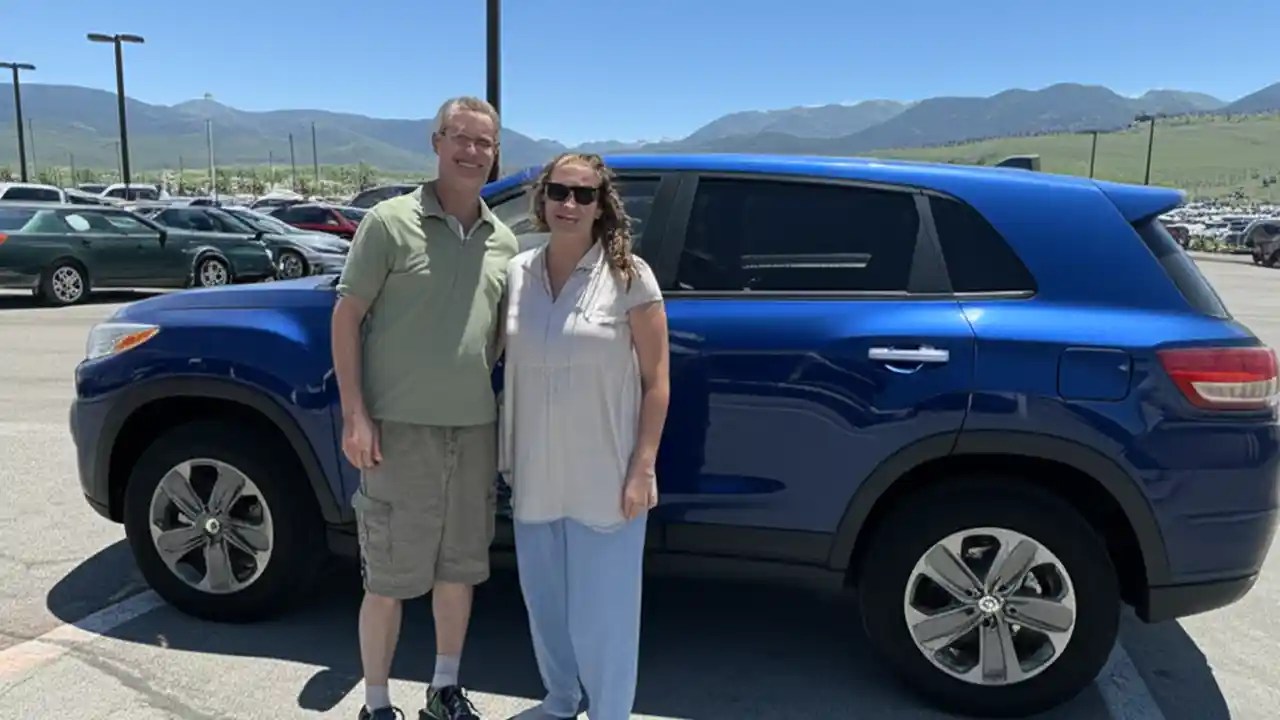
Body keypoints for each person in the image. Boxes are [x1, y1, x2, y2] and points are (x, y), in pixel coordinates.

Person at [332, 95, 519, 720]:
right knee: (387, 577)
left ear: (496, 156)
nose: (471, 152)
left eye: (484, 143)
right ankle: (376, 703)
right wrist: (355, 413)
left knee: (458, 571)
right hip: (397, 434)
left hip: (472, 434)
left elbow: (496, 341)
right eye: (460, 139)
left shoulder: (504, 240)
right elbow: (347, 315)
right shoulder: (388, 222)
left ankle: (443, 691)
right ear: (436, 142)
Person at [498, 152, 671, 720]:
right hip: (534, 469)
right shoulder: (517, 274)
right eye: (559, 191)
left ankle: (610, 713)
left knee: (607, 615)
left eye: (583, 194)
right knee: (544, 603)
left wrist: (642, 465)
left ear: (602, 206)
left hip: (607, 470)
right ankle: (560, 699)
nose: (569, 204)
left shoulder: (629, 276)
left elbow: (656, 383)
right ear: (542, 199)